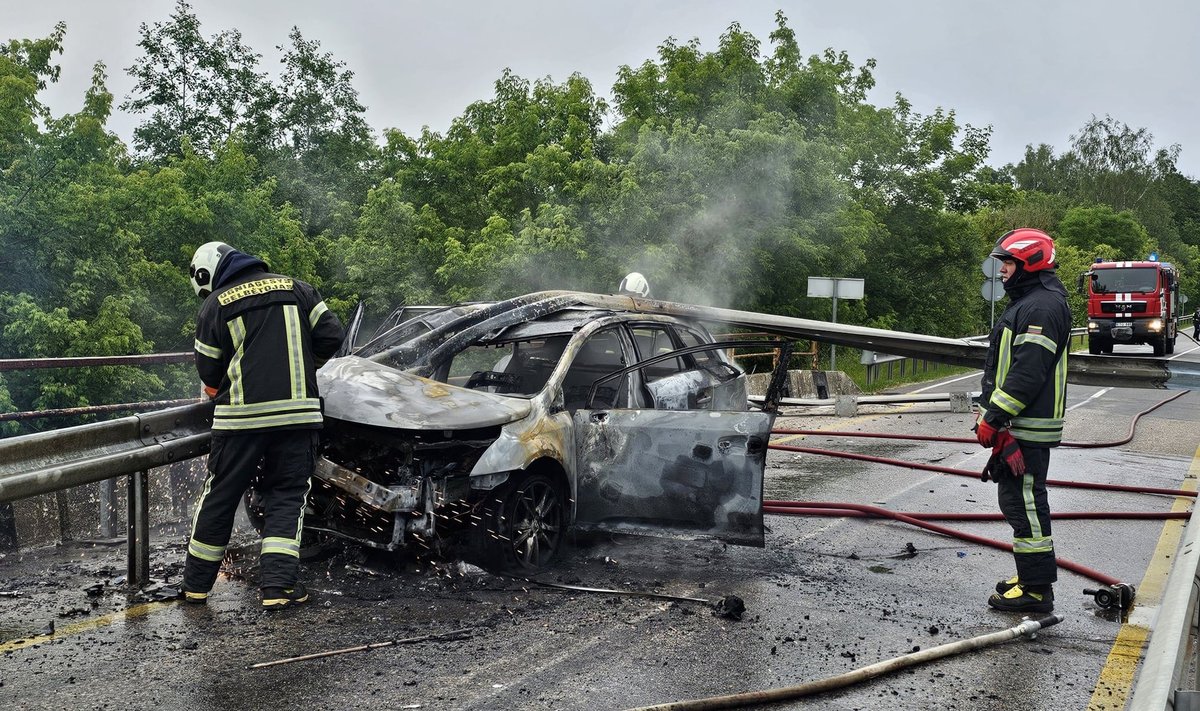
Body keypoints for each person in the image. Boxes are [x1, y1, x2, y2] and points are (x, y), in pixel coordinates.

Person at [182, 241, 345, 610]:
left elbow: (208, 372)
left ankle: (195, 587)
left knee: (220, 496)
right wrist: (305, 363)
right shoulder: (298, 289)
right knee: (287, 496)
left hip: (240, 421)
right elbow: (332, 336)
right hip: (297, 416)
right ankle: (277, 589)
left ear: (210, 274)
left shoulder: (215, 305)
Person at [975, 228, 1070, 613]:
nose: (1001, 272)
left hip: (1025, 427)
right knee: (1017, 501)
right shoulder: (1033, 302)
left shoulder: (1042, 308)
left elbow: (1027, 373)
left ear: (1029, 263)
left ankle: (1036, 590)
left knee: (1026, 503)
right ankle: (1030, 577)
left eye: (1008, 264)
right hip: (1020, 426)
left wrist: (995, 417)